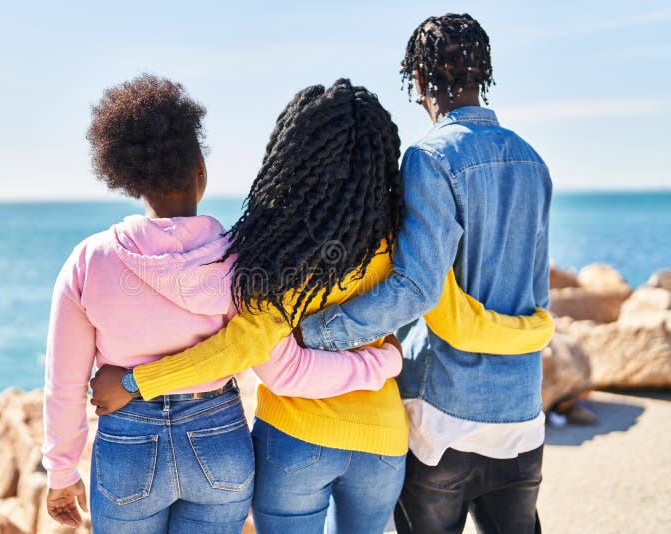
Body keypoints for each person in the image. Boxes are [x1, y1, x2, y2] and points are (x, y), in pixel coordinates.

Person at [91, 78, 554, 533]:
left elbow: (240, 348)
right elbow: (443, 306)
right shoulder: (397, 242)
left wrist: (138, 381)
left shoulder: (276, 251)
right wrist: (533, 331)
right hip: (382, 443)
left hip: (295, 441)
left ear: (291, 158)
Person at [41, 74, 407, 533]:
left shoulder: (90, 262)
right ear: (201, 170)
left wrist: (61, 474)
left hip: (128, 444)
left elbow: (64, 385)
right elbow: (276, 365)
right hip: (218, 442)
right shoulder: (240, 260)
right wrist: (385, 361)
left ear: (130, 178)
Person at [295, 14, 553, 534]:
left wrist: (316, 332)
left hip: (444, 415)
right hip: (521, 410)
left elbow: (415, 287)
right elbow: (533, 290)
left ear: (418, 79)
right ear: (483, 70)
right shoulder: (533, 161)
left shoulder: (429, 158)